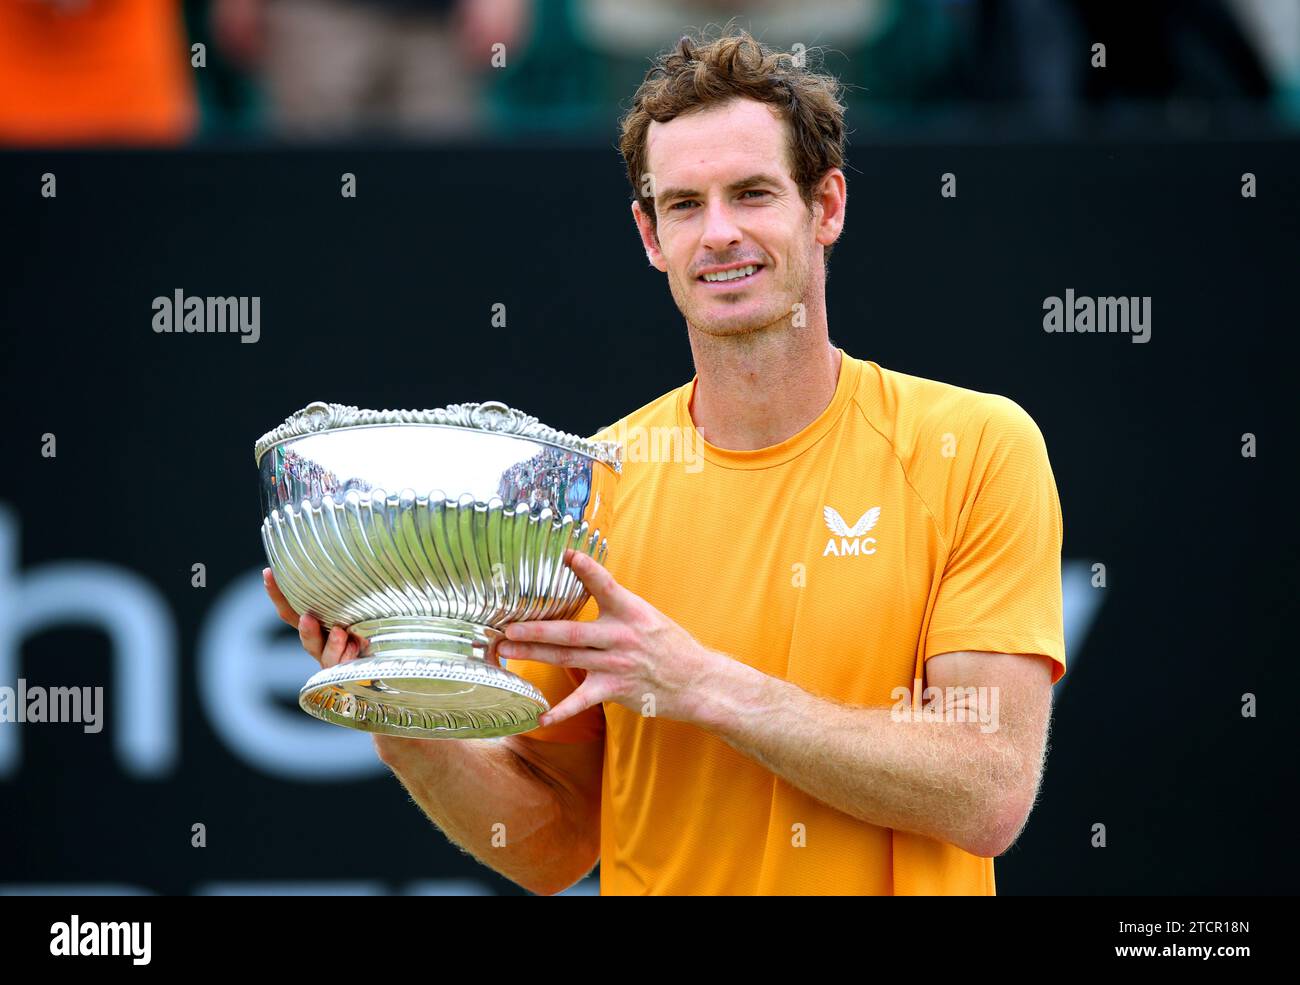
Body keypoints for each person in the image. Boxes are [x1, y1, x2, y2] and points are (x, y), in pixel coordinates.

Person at [264, 27, 1066, 895]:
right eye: (685, 205)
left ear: (826, 207)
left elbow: (988, 790)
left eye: (753, 194)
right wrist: (402, 720)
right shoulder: (594, 484)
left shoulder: (978, 447)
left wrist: (705, 685)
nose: (719, 234)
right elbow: (553, 843)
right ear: (650, 234)